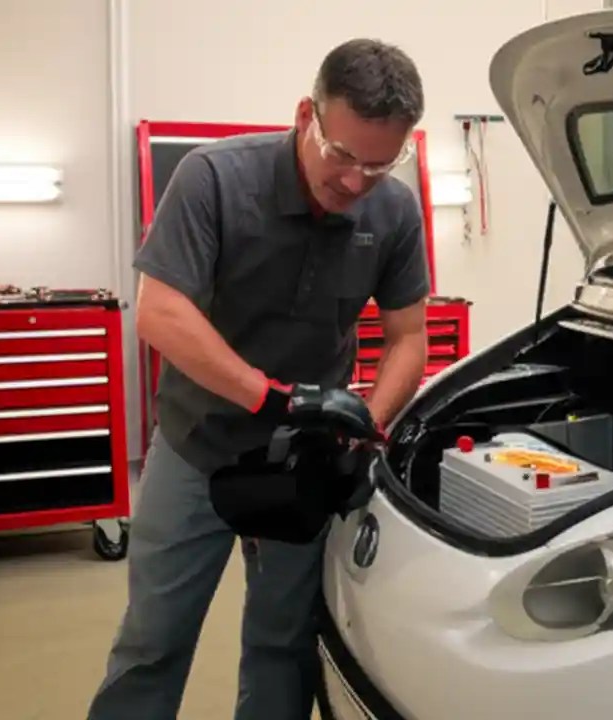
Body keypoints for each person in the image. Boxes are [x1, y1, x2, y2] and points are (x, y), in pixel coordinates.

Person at [86, 38, 430, 720]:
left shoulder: (393, 211)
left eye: (380, 163)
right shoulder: (213, 178)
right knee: (154, 640)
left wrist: (365, 425)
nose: (357, 182)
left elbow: (408, 336)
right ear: (307, 114)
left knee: (283, 641)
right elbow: (159, 313)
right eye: (342, 157)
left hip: (306, 462)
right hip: (199, 447)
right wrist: (273, 398)